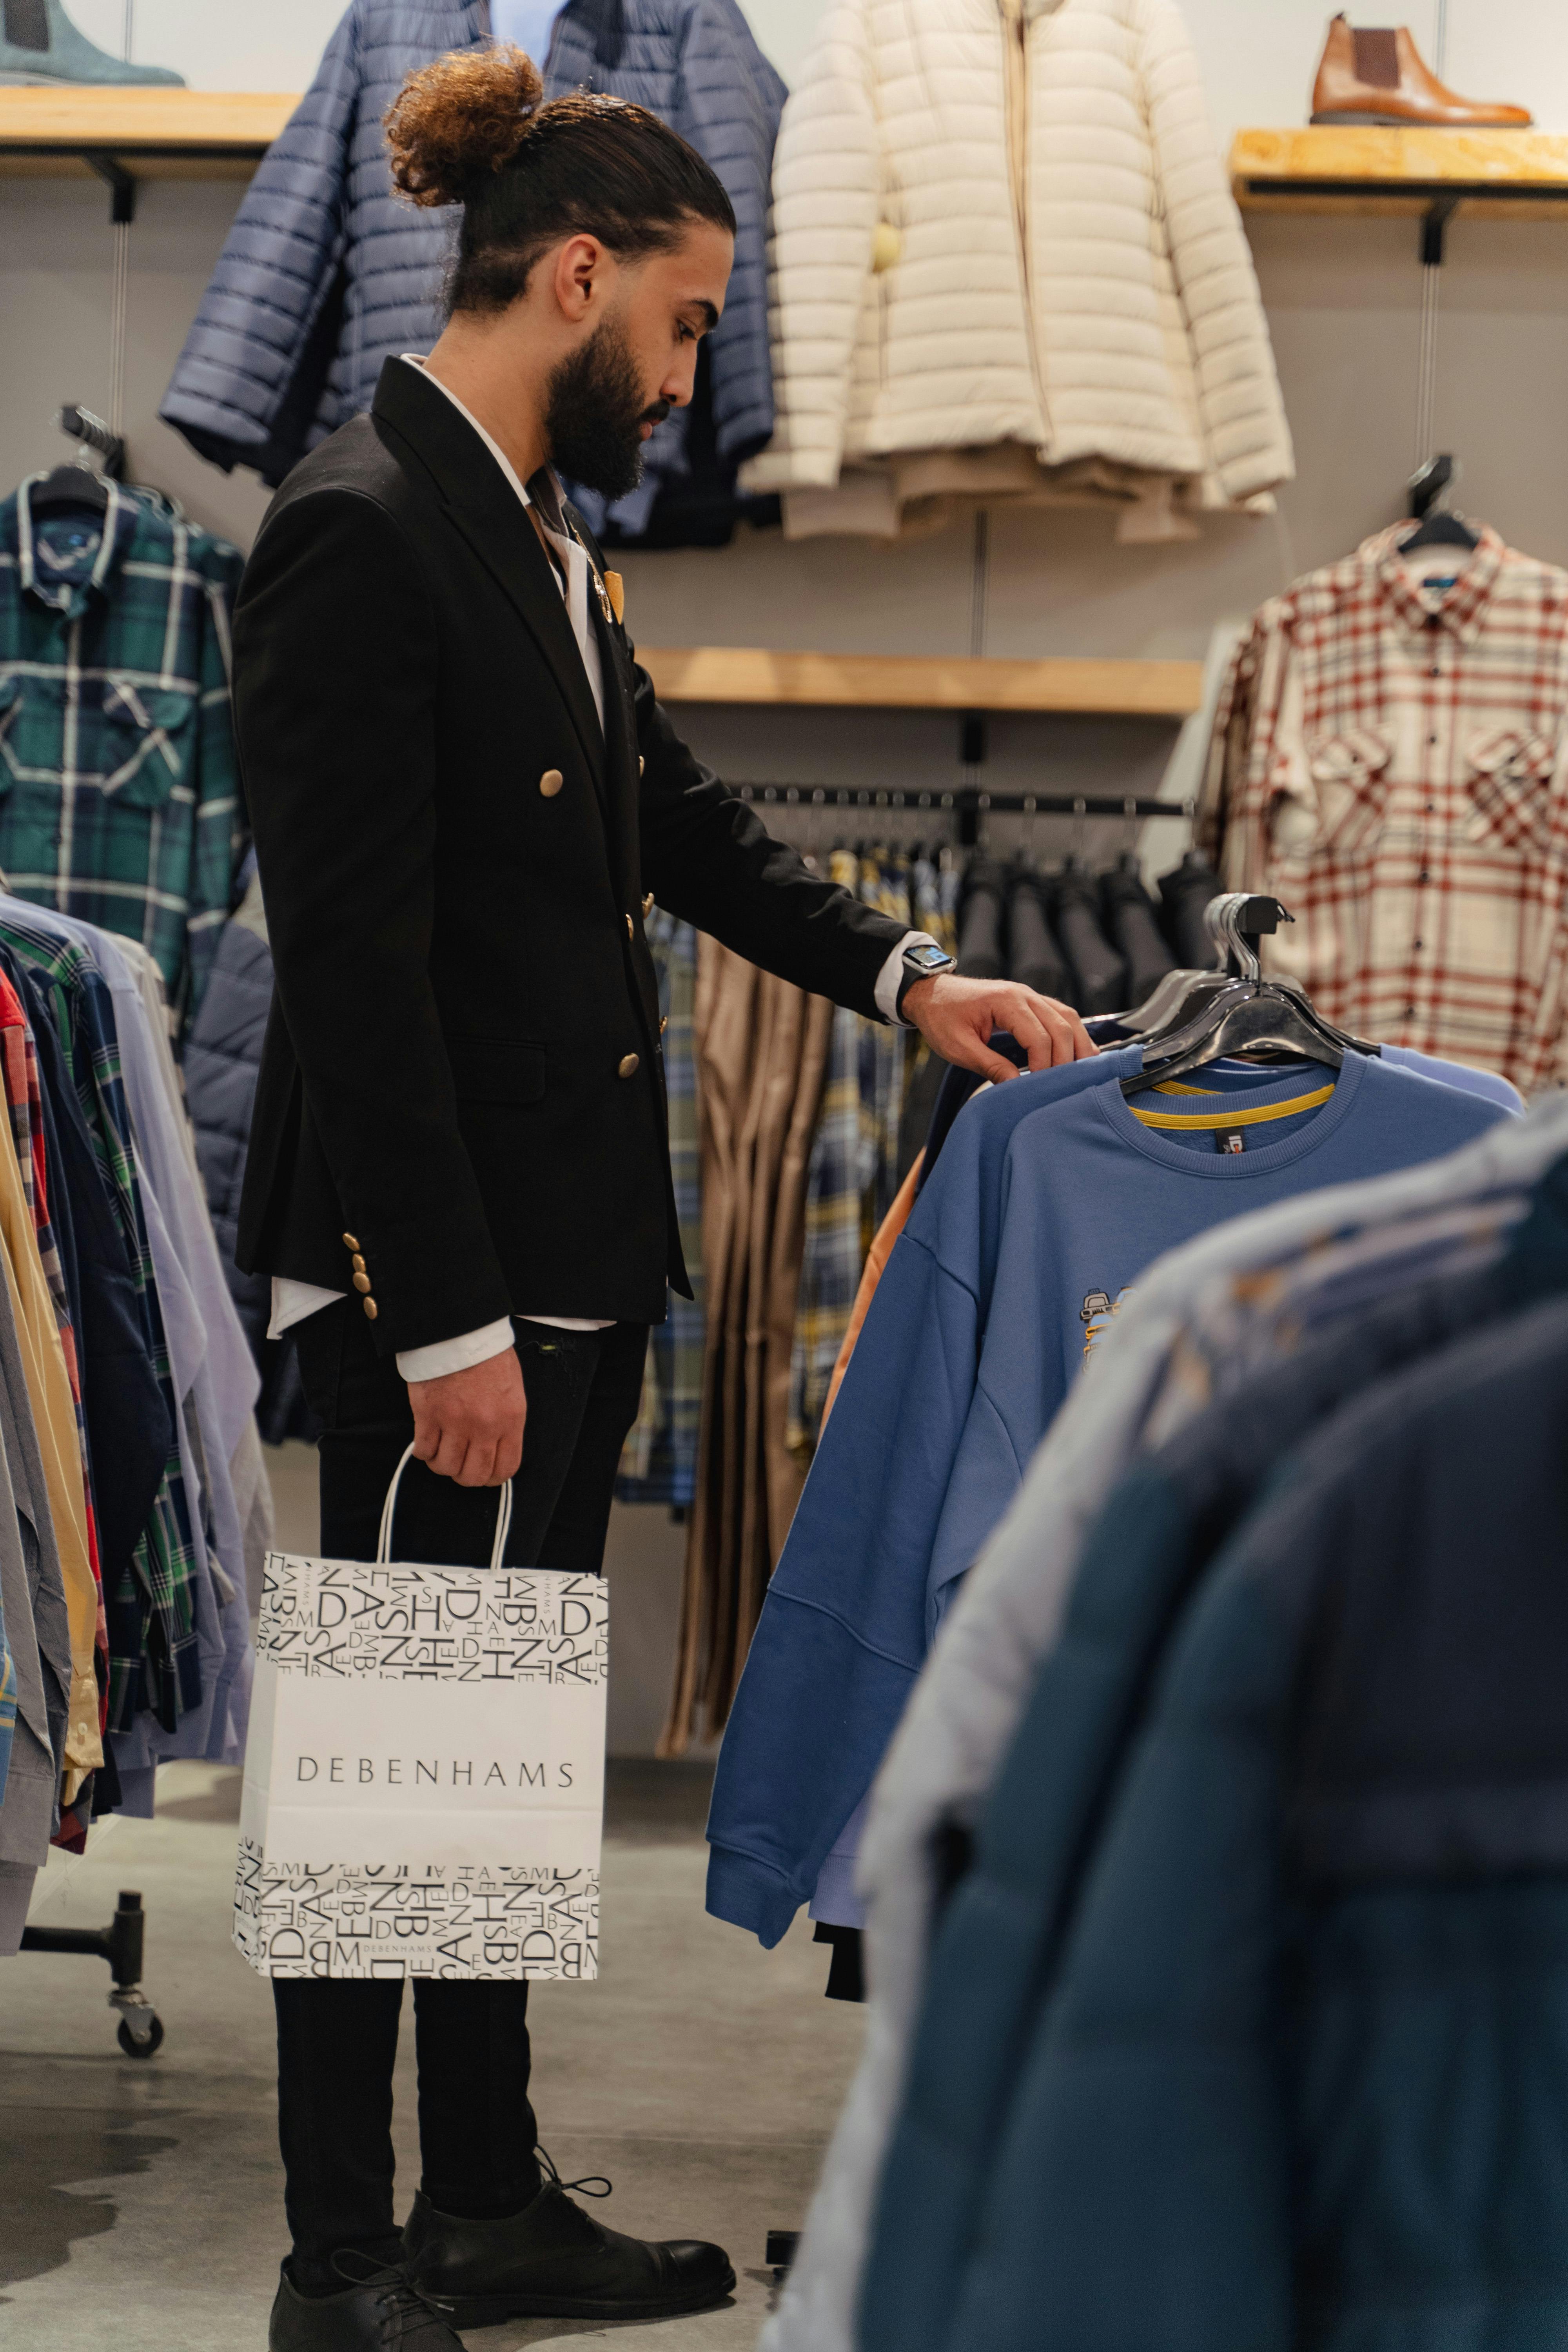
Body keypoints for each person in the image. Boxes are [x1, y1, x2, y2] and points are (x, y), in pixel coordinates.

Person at [232, 42, 1095, 2351]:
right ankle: (341, 2261)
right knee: (393, 1757)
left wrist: (912, 976)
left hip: (561, 1255)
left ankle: (484, 2197)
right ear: (578, 277)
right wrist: (440, 1320)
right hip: (444, 1283)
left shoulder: (529, 531)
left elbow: (676, 823)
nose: (697, 373)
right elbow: (353, 969)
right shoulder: (357, 524)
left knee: (489, 1752)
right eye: (689, 323)